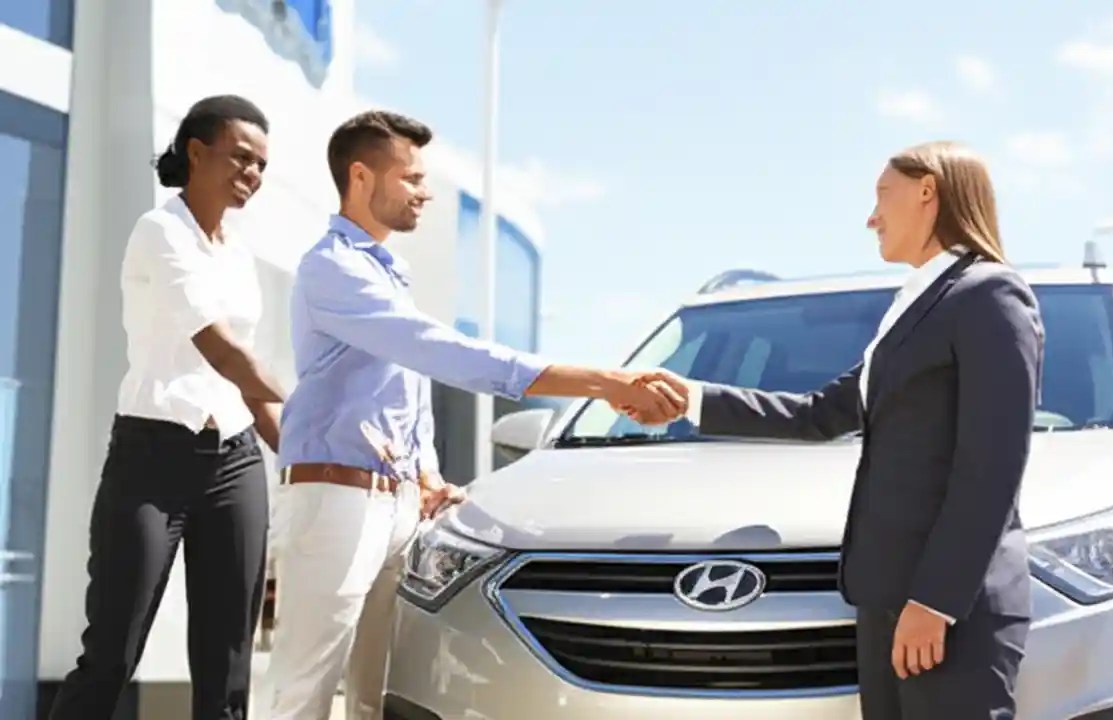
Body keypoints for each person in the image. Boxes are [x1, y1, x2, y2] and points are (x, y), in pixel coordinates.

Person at [266, 109, 684, 720]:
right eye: (411, 177)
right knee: (303, 690)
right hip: (337, 502)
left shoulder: (385, 273)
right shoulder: (333, 268)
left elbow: (402, 389)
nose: (425, 191)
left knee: (373, 695)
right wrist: (600, 381)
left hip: (397, 507)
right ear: (361, 177)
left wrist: (428, 476)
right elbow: (443, 353)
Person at [621, 141, 1044, 720]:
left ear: (928, 192)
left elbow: (991, 466)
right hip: (886, 602)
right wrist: (689, 398)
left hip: (950, 611)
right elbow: (817, 414)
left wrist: (935, 601)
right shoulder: (915, 306)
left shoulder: (989, 294)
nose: (872, 217)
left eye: (882, 196)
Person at [48, 95, 287, 719]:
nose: (252, 175)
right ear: (196, 151)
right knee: (112, 653)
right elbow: (221, 349)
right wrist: (314, 401)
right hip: (151, 458)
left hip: (234, 461)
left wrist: (304, 447)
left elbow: (246, 382)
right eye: (240, 158)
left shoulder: (238, 253)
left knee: (228, 663)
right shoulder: (160, 231)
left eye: (261, 164)